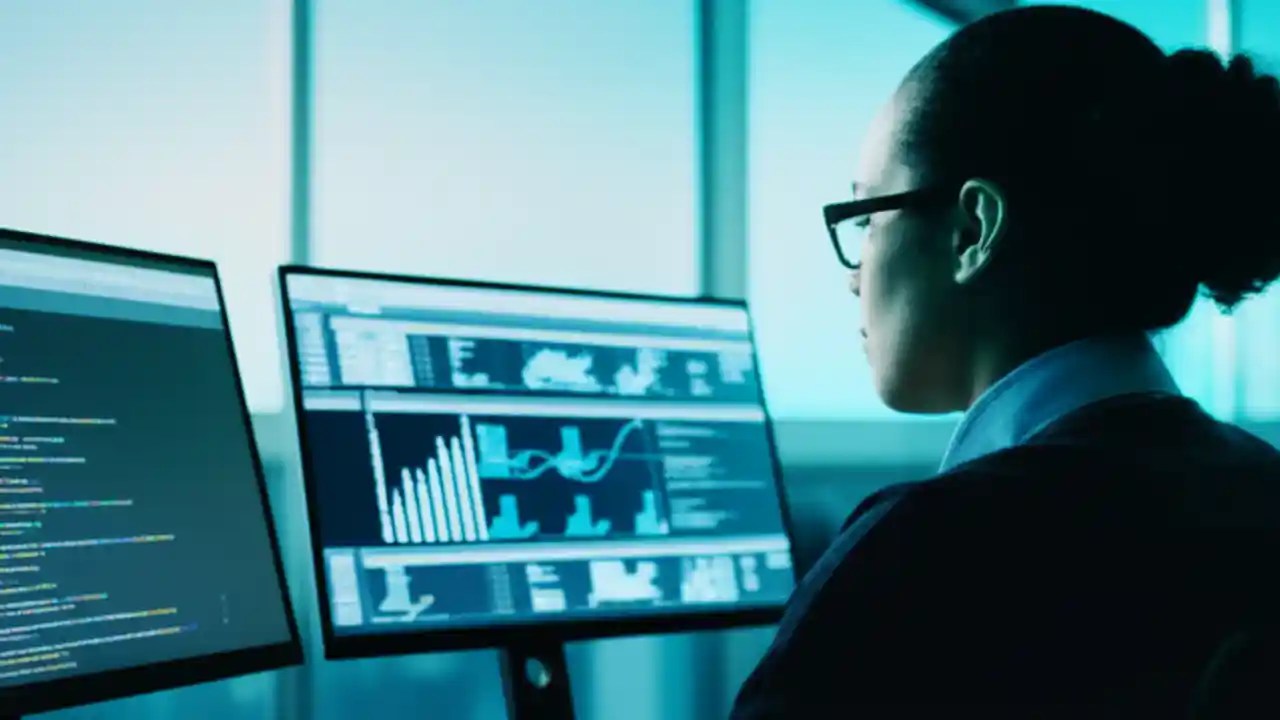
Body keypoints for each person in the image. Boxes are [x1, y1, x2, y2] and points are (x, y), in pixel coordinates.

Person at [731, 5, 1280, 718]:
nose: (854, 274)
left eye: (868, 218)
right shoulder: (1260, 490)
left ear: (971, 232)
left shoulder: (927, 551)